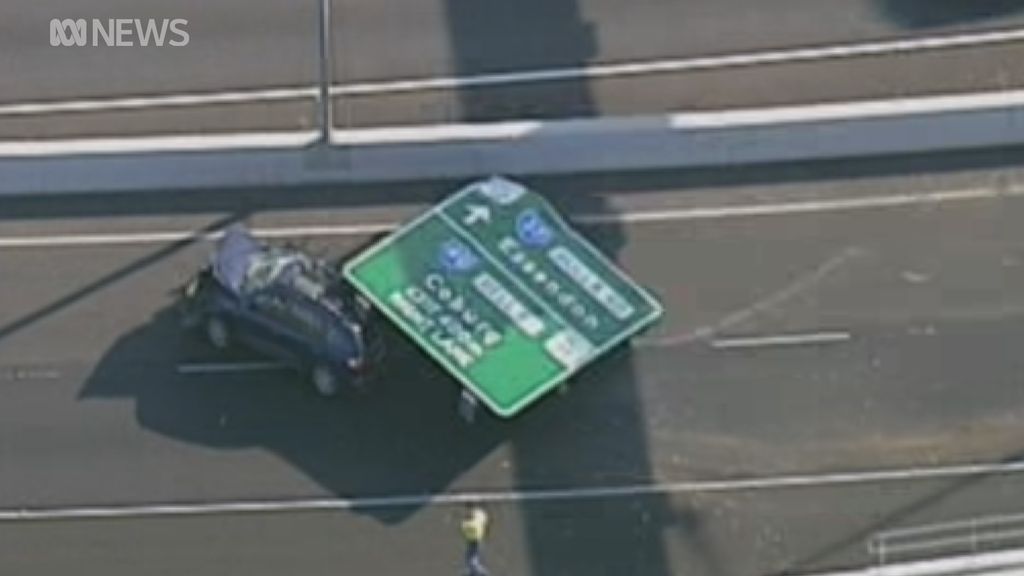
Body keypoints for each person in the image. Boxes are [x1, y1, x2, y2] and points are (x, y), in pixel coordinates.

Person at [460, 503, 490, 576]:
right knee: (470, 559)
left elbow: (465, 531)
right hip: (472, 541)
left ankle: (483, 573)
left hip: (474, 541)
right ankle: (474, 573)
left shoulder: (469, 523)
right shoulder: (478, 516)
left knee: (472, 561)